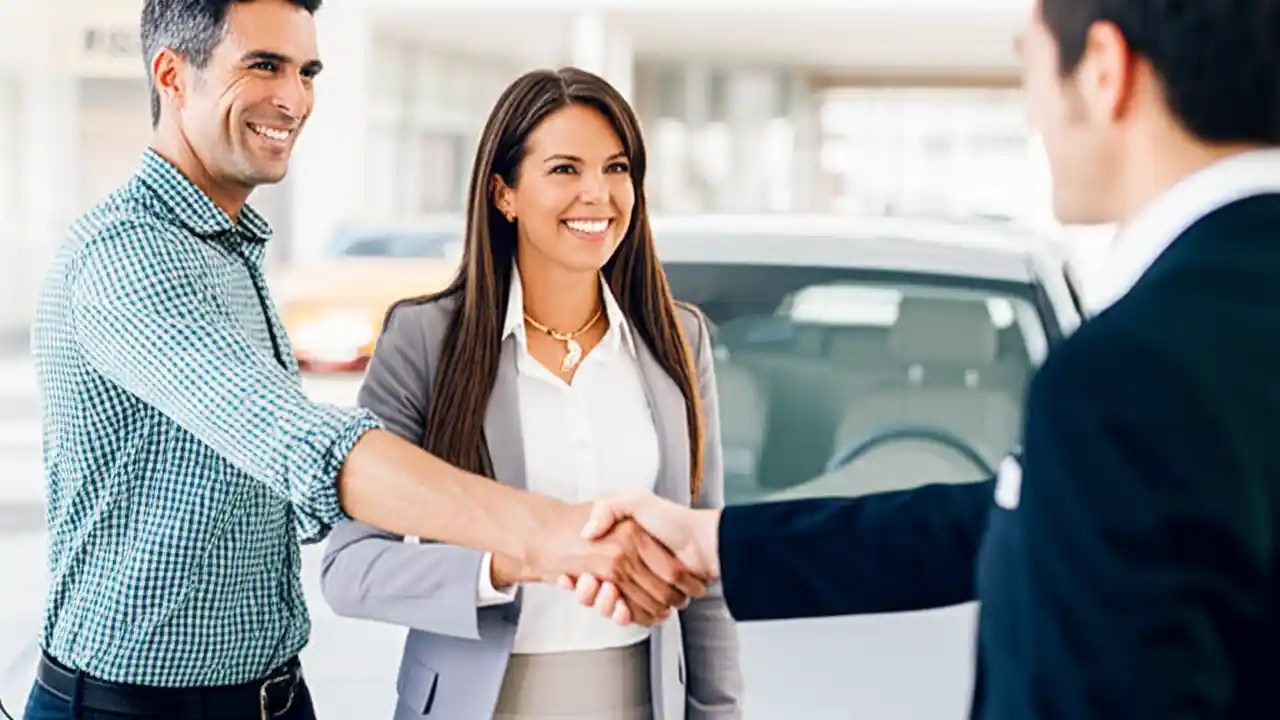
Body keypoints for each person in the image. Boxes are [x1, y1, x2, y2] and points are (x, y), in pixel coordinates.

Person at [576, 0, 1280, 717]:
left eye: (1027, 67)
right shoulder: (1207, 338)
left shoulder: (1127, 375)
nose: (1031, 113)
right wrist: (715, 539)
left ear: (1103, 71)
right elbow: (1022, 513)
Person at [24, 3, 700, 719]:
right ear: (172, 75)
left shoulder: (228, 251)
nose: (294, 98)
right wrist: (551, 537)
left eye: (306, 71)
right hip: (129, 707)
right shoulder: (126, 259)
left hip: (268, 693)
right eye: (263, 66)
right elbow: (302, 443)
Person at [319, 67, 743, 720]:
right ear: (504, 193)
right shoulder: (427, 340)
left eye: (617, 167)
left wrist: (719, 712)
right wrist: (510, 561)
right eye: (565, 169)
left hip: (639, 698)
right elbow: (350, 570)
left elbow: (705, 571)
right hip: (480, 702)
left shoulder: (678, 340)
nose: (598, 195)